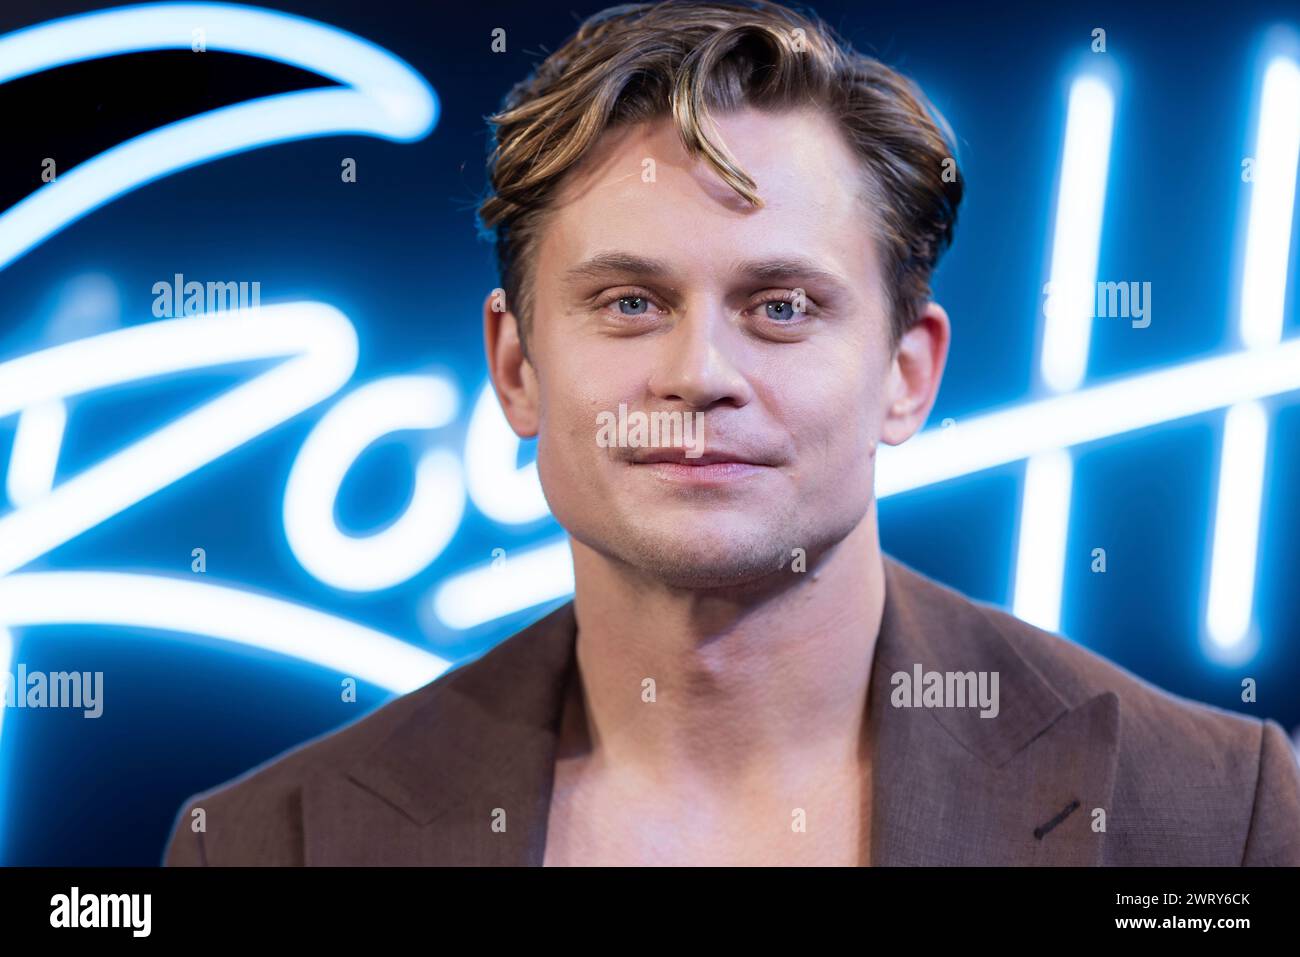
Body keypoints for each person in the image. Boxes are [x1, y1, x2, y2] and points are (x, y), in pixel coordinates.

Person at [164, 0, 1300, 866]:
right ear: (515, 367)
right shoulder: (268, 844)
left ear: (908, 375)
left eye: (782, 307)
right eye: (629, 302)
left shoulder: (1212, 810)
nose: (699, 374)